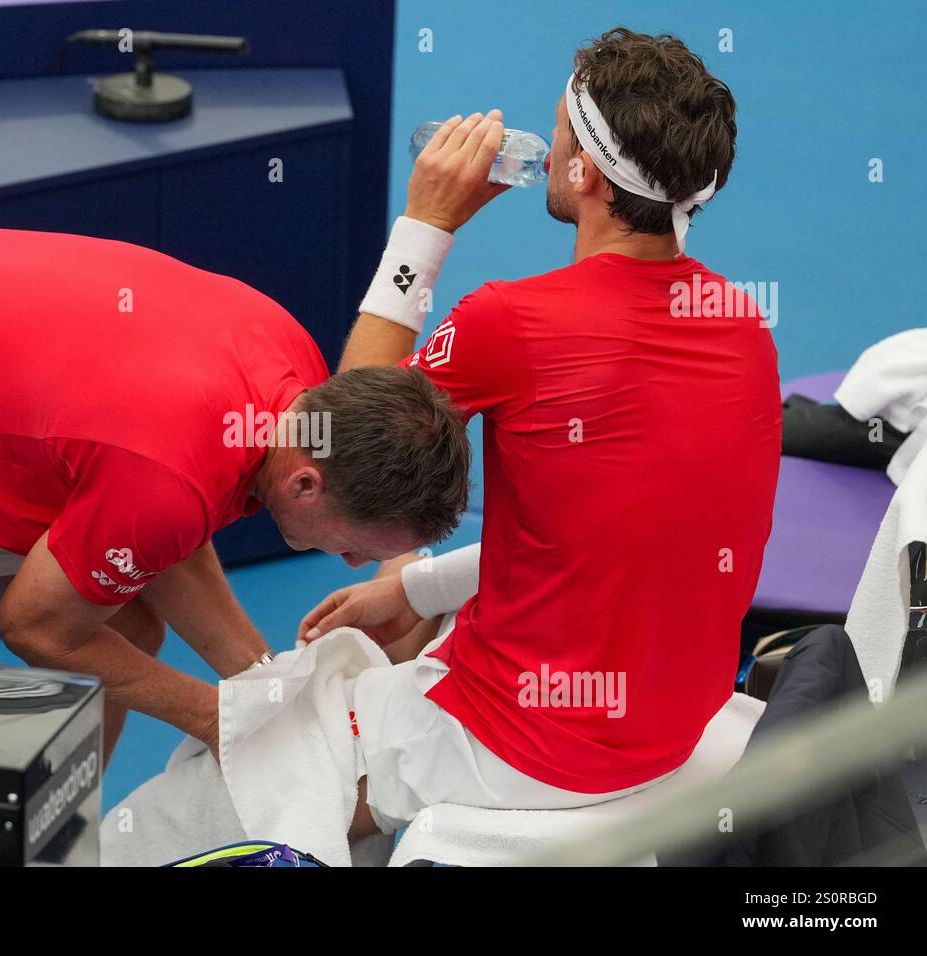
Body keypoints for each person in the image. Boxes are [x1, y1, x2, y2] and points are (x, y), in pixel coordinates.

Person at [0, 225, 471, 760]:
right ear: (306, 483)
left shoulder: (294, 382)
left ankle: (50, 843)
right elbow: (36, 627)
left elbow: (167, 526)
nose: (349, 565)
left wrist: (264, 682)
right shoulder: (170, 474)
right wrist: (218, 721)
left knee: (125, 628)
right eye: (353, 547)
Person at [301, 28, 781, 837]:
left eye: (556, 129)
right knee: (405, 614)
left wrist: (425, 223)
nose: (544, 144)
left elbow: (336, 441)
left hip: (523, 748)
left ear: (582, 172)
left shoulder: (510, 322)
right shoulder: (743, 324)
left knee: (242, 768)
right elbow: (602, 549)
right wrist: (416, 589)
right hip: (671, 729)